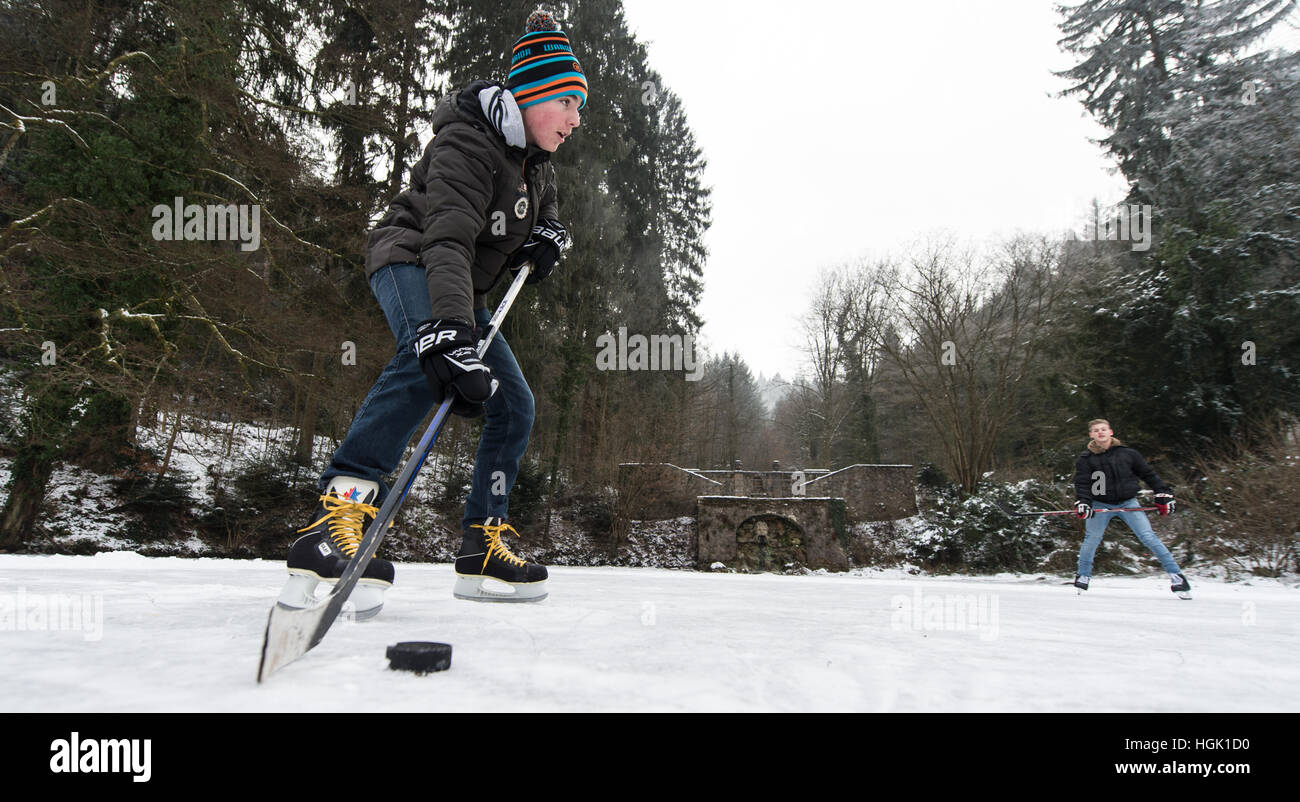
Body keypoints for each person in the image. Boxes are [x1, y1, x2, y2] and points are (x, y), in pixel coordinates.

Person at [275, 9, 587, 617]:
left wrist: (546, 240)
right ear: (532, 94)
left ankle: (481, 545)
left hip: (460, 289)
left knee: (512, 403)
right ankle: (335, 521)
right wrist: (447, 330)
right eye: (568, 103)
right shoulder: (467, 142)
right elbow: (447, 239)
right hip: (411, 259)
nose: (577, 121)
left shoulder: (536, 168)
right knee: (426, 363)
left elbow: (529, 230)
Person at [1072, 419, 1190, 598]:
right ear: (1091, 435)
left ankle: (1177, 577)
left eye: (1103, 429)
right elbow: (1082, 483)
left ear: (1110, 432)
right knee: (1092, 539)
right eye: (1096, 430)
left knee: (1148, 537)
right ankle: (1083, 575)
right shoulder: (1086, 459)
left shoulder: (1128, 454)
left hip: (1128, 503)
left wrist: (1162, 493)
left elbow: (1148, 474)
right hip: (1100, 504)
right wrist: (1083, 502)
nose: (1100, 432)